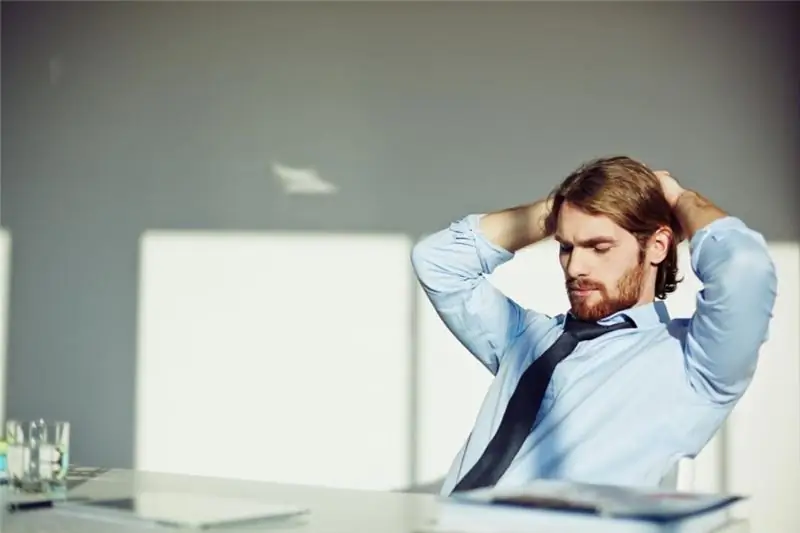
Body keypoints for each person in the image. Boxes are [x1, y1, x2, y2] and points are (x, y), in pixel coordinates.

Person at [411, 156, 777, 495]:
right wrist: (558, 211)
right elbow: (438, 261)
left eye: (599, 247)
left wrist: (679, 198)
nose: (574, 268)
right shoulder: (525, 338)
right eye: (567, 247)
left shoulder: (693, 363)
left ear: (657, 246)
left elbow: (745, 267)